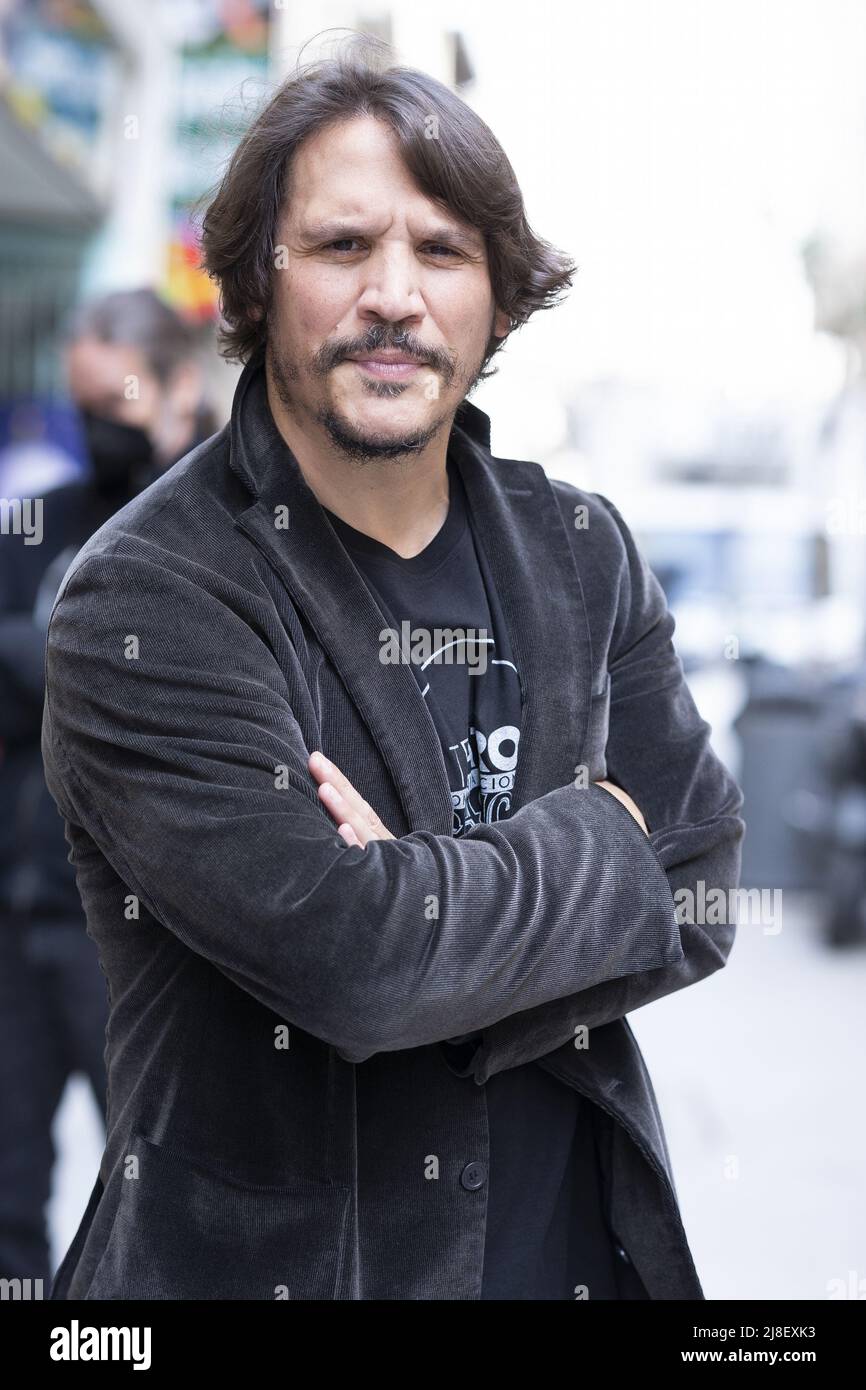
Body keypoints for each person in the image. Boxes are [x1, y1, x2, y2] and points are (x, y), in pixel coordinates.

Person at [42, 37, 745, 1302]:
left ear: (496, 294)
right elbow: (352, 966)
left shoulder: (578, 548)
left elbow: (701, 882)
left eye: (440, 250)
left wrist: (426, 914)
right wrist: (600, 839)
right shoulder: (147, 592)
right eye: (342, 245)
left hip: (581, 1257)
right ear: (258, 277)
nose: (392, 296)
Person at [0, 287, 214, 1288]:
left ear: (177, 388)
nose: (98, 430)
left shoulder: (227, 521)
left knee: (167, 1194)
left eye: (116, 406)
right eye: (82, 407)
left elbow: (166, 696)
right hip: (22, 913)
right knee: (8, 1192)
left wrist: (48, 664)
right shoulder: (42, 521)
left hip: (147, 936)